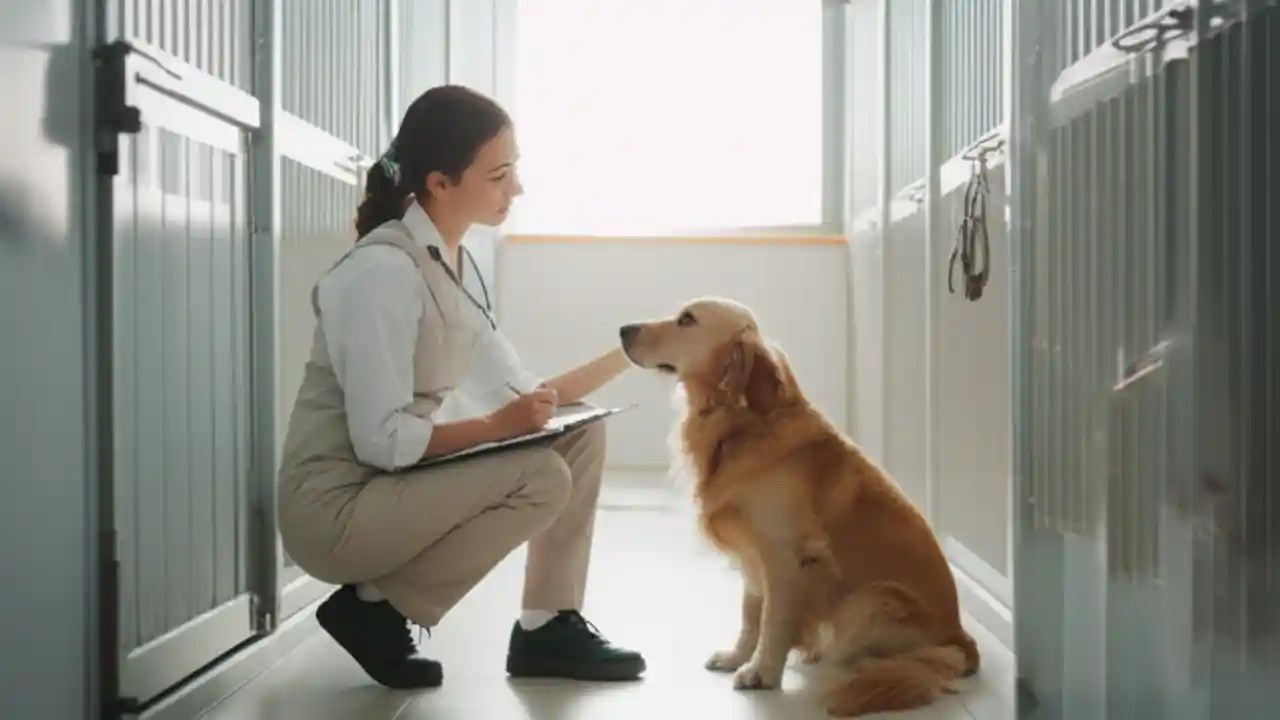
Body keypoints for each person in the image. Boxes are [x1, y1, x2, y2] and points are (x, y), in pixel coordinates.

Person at [275, 85, 644, 689]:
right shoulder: (381, 273)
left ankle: (548, 625)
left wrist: (637, 353)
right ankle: (377, 610)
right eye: (499, 175)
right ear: (440, 183)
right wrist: (498, 429)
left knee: (580, 433)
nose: (516, 189)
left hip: (389, 489)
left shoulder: (452, 261)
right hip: (335, 511)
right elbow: (382, 443)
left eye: (515, 170)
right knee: (541, 476)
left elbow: (529, 395)